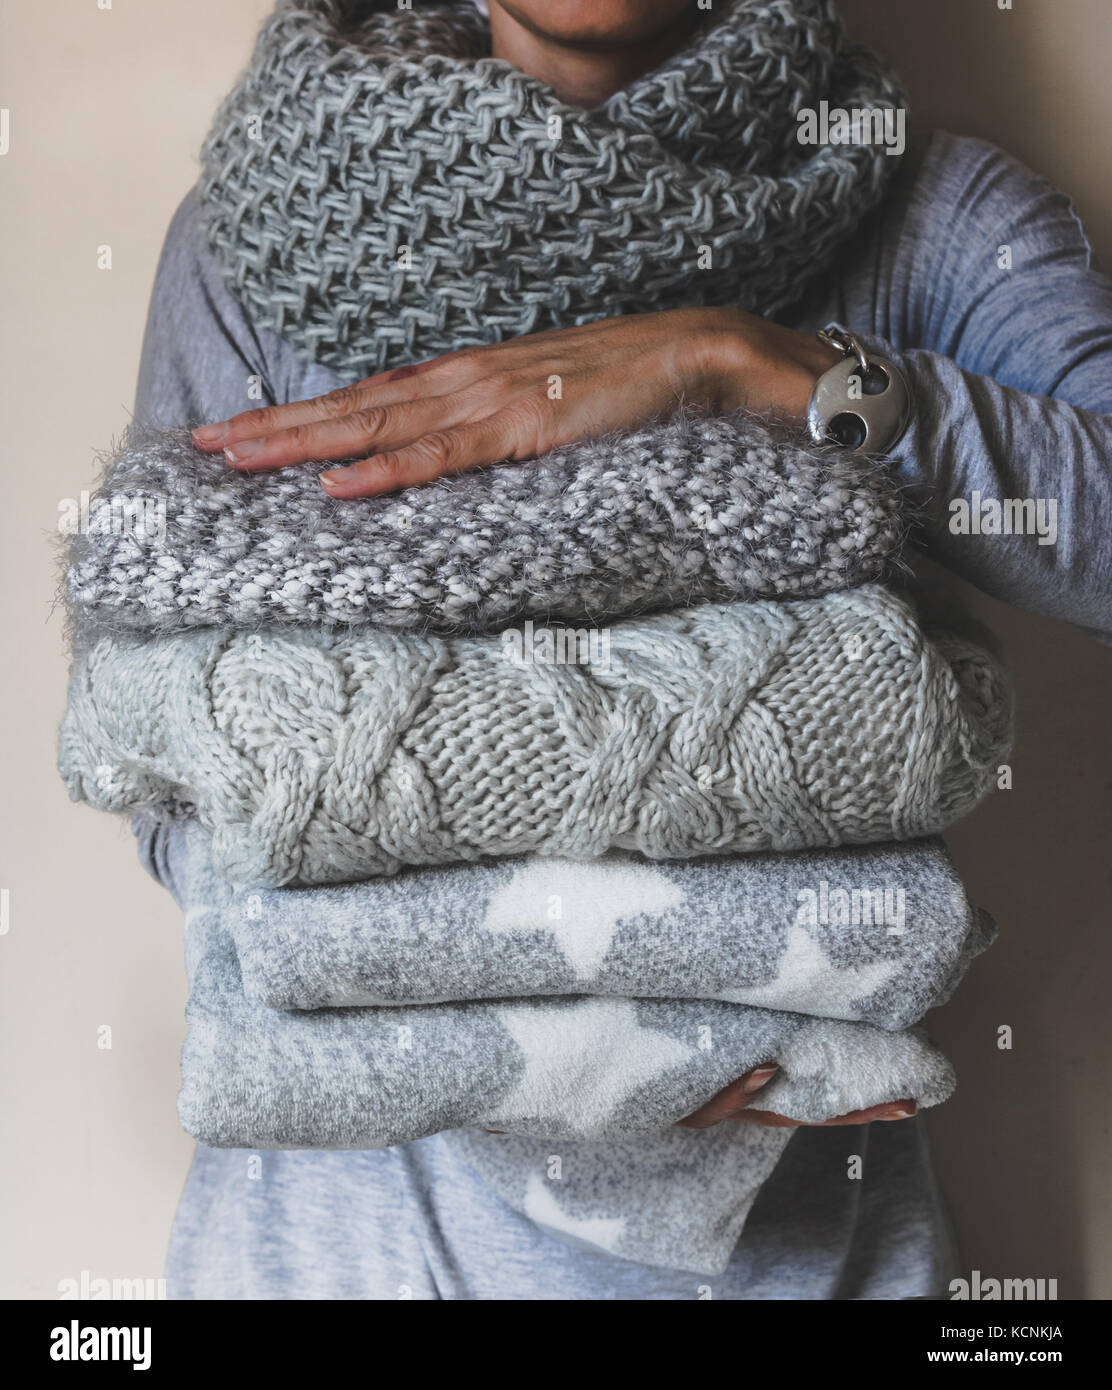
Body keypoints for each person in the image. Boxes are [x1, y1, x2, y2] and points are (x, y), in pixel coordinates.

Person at [134, 0, 1112, 1298]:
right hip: (344, 1251)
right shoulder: (261, 224)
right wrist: (551, 1051)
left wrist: (747, 364)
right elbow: (164, 756)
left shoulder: (933, 212)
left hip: (803, 1260)